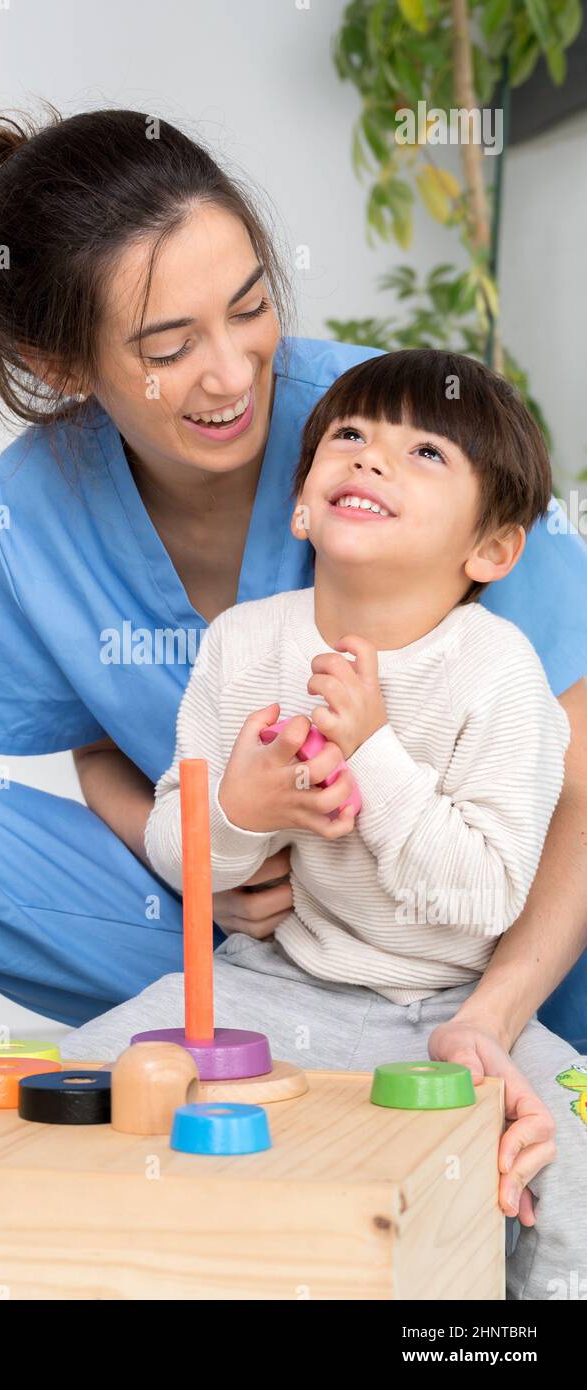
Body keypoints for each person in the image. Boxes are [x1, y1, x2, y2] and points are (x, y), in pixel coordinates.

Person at [0, 108, 586, 1241]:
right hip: (214, 941)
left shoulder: (401, 437)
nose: (230, 373)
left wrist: (488, 1015)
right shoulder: (32, 508)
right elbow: (96, 733)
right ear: (58, 363)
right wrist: (190, 849)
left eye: (249, 308)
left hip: (486, 947)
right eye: (167, 346)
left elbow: (570, 785)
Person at [58, 347, 586, 1297]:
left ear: (493, 550)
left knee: (576, 1141)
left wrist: (375, 756)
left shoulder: (499, 672)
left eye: (426, 453)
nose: (372, 459)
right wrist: (239, 811)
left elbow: (487, 895)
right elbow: (181, 847)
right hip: (270, 990)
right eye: (349, 436)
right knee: (74, 1081)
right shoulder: (245, 644)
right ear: (302, 505)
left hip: (454, 1018)